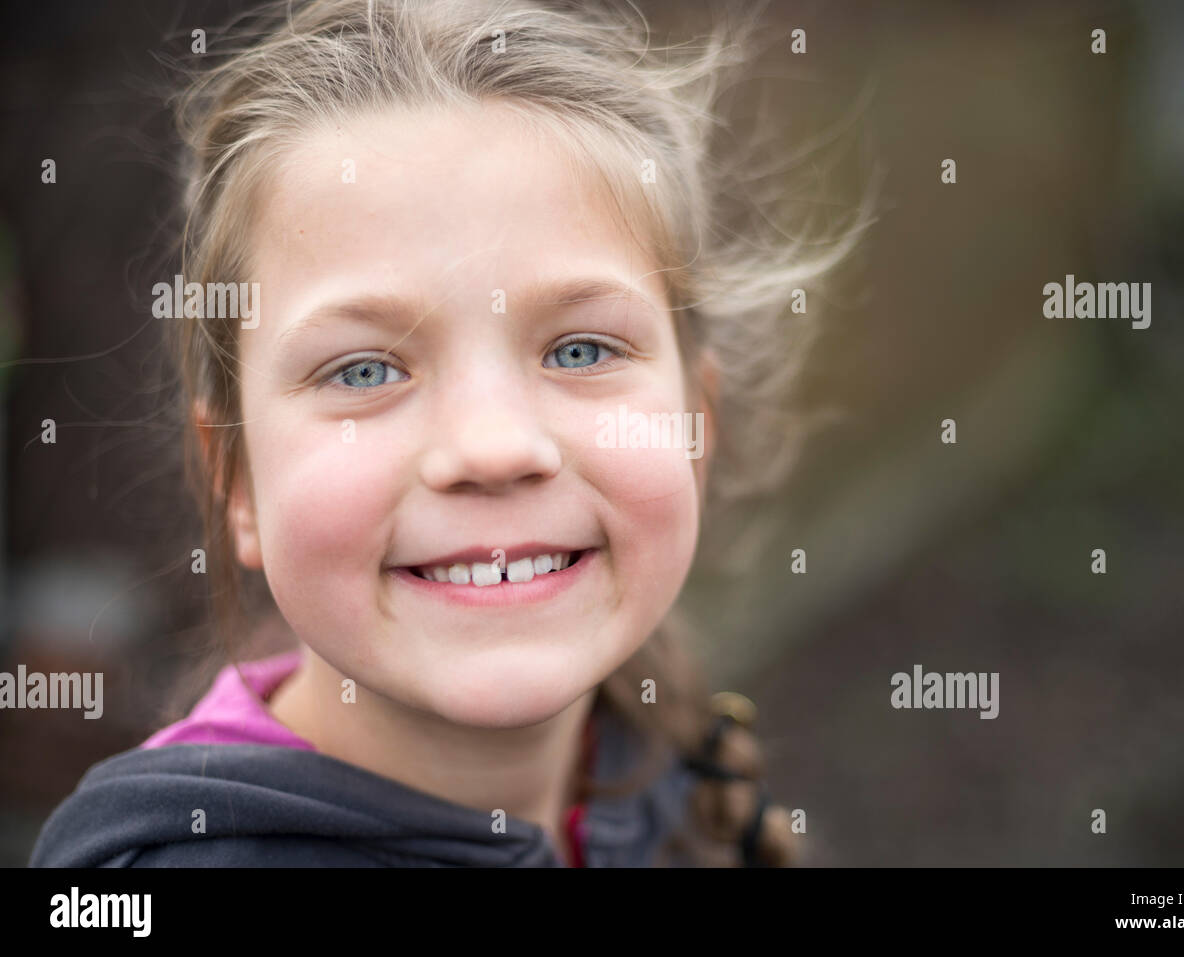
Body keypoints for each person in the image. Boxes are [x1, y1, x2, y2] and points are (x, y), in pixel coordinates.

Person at [30, 0, 867, 867]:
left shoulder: (682, 788)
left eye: (580, 349)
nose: (492, 447)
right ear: (234, 478)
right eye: (363, 370)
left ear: (699, 425)